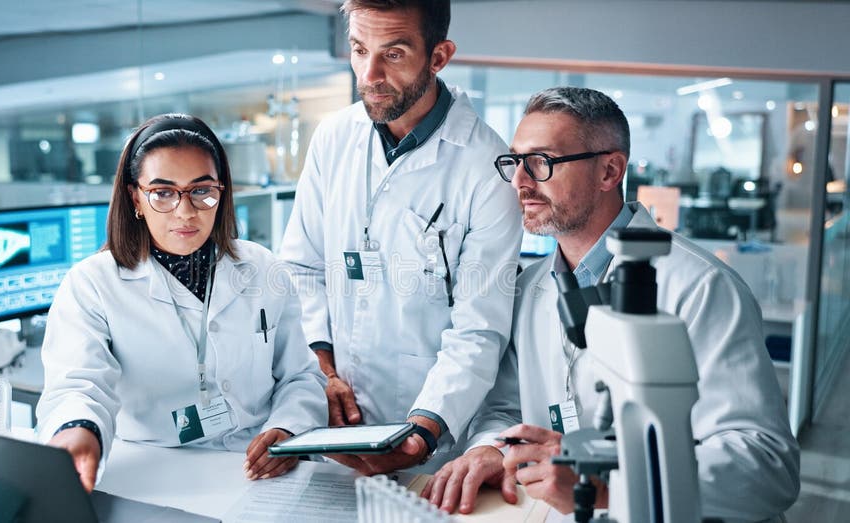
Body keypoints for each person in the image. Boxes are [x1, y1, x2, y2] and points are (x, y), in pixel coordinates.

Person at [422, 87, 800, 521]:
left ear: (609, 171)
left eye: (541, 162)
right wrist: (492, 448)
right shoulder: (529, 288)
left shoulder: (702, 286)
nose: (519, 181)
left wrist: (607, 485)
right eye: (514, 161)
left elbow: (767, 464)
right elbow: (505, 406)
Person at [279, 0, 524, 475]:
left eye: (392, 54)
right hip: (330, 422)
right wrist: (323, 375)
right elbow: (302, 270)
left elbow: (479, 328)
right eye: (358, 49)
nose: (368, 73)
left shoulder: (487, 168)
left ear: (439, 57)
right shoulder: (333, 138)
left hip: (431, 443)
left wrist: (424, 428)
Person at [36, 114, 327, 491]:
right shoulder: (92, 283)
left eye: (202, 190)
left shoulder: (262, 268)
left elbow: (301, 376)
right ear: (135, 197)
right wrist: (79, 430)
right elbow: (78, 384)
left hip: (258, 465)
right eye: (163, 192)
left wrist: (288, 428)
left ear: (222, 192)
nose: (185, 212)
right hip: (159, 468)